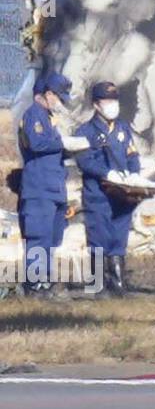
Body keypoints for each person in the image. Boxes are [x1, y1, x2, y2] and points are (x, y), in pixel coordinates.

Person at [17, 72, 86, 294]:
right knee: (39, 238)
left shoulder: (47, 118)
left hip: (54, 189)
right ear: (47, 94)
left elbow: (52, 149)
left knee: (52, 238)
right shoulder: (33, 115)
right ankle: (35, 286)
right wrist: (63, 143)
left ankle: (44, 282)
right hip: (39, 190)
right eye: (59, 97)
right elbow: (37, 144)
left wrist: (71, 150)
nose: (60, 102)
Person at [74, 82, 141, 294]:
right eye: (107, 101)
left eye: (115, 100)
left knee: (118, 238)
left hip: (122, 194)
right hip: (98, 195)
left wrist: (134, 175)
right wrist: (106, 173)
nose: (113, 105)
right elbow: (85, 161)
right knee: (99, 238)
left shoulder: (122, 128)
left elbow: (132, 155)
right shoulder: (85, 131)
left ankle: (118, 283)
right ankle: (98, 285)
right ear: (96, 105)